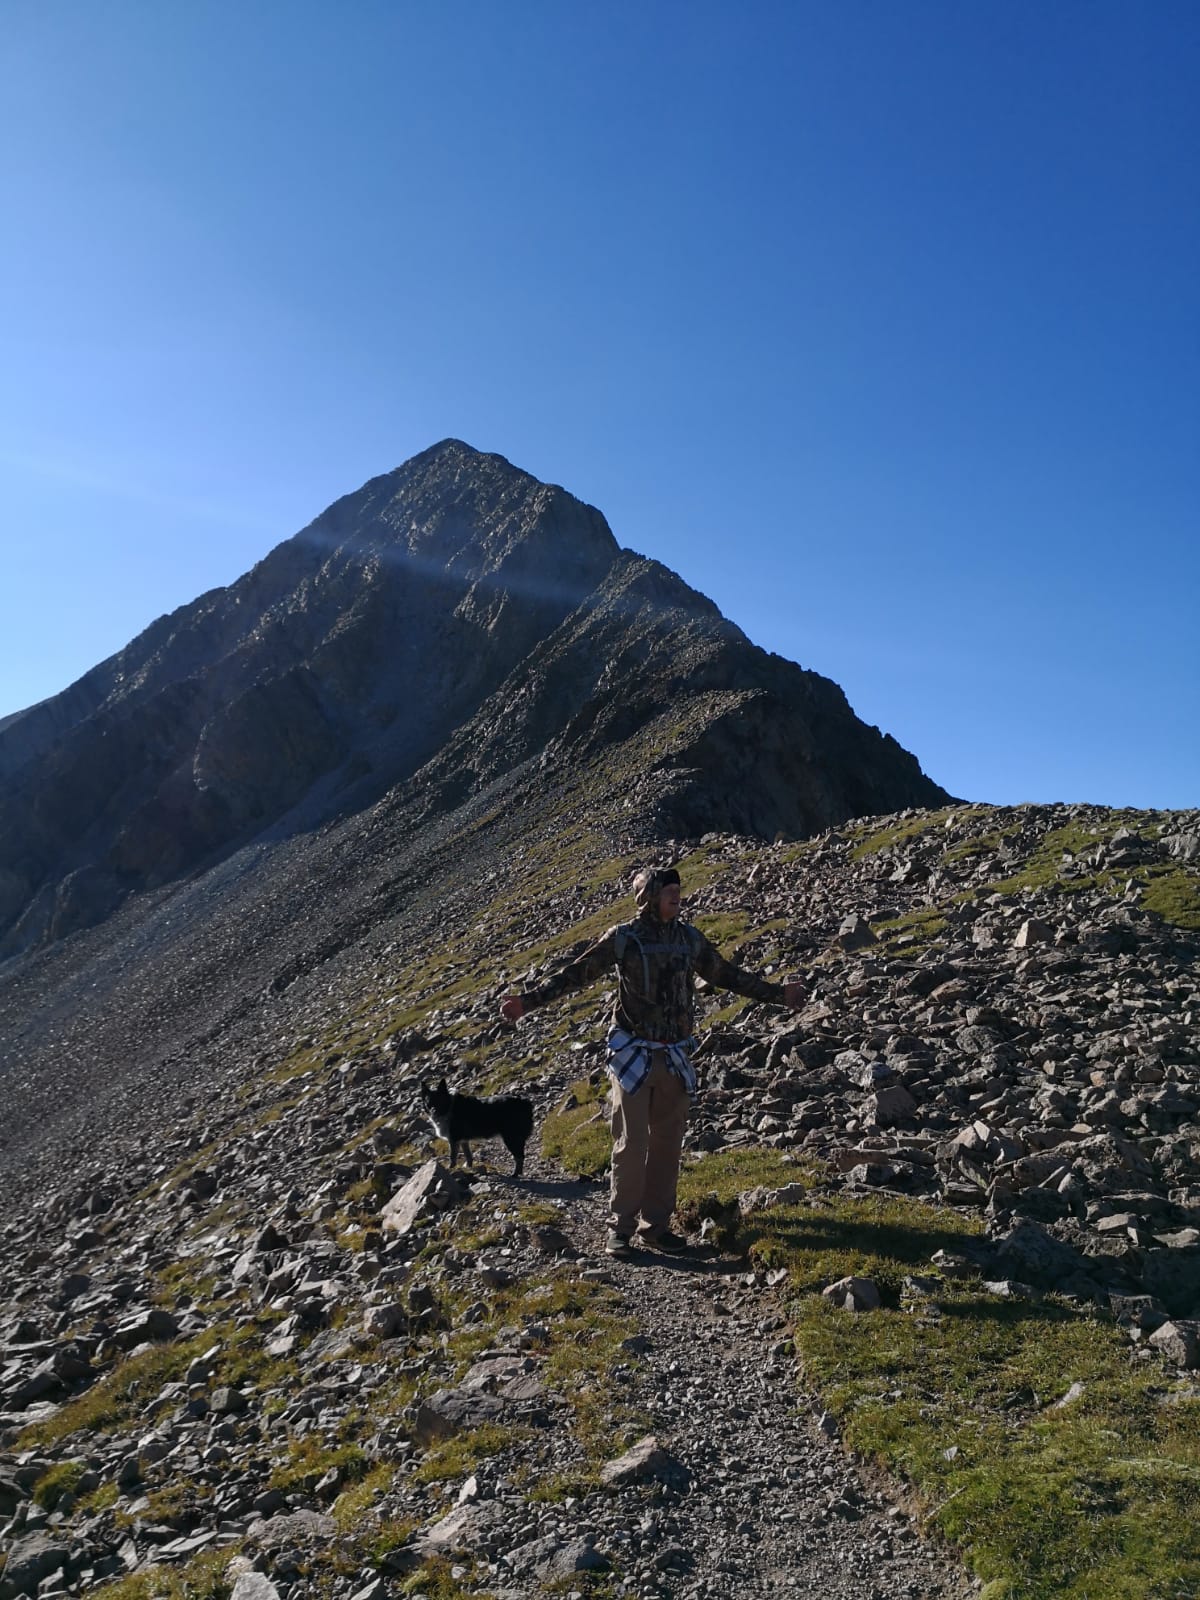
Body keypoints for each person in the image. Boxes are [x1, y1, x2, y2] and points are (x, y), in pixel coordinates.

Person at [500, 865, 803, 1256]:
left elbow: (726, 975)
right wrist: (527, 1002)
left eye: (677, 889)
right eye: (667, 890)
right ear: (648, 897)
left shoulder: (688, 939)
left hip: (674, 1056)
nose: (676, 895)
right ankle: (620, 1230)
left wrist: (779, 995)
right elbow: (577, 975)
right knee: (631, 1144)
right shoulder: (624, 938)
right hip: (633, 1054)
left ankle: (655, 1229)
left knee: (667, 1146)